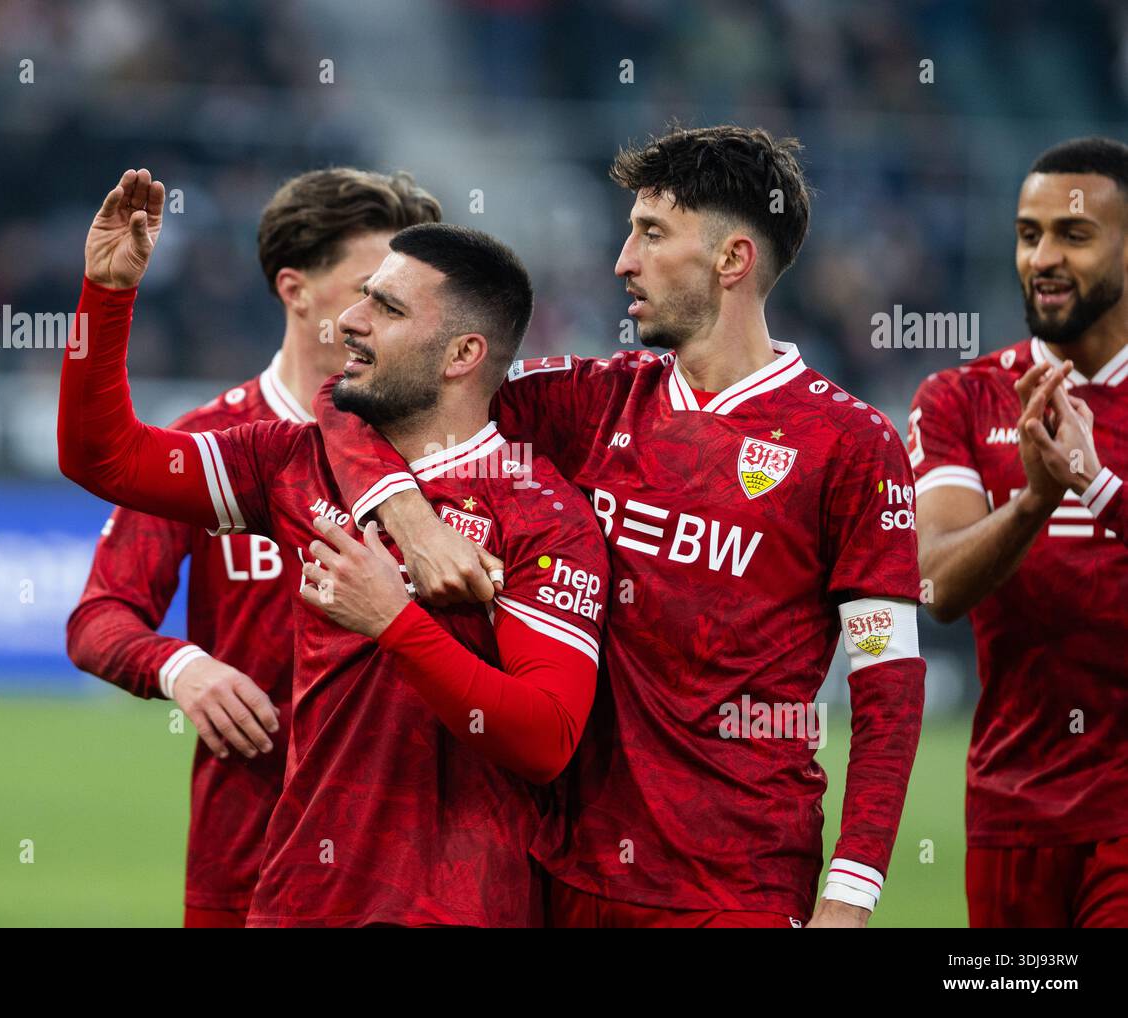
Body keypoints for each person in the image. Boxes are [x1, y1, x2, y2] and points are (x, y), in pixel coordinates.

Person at [313, 125, 926, 927]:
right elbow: (352, 397)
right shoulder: (588, 402)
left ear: (731, 261)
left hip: (734, 887)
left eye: (651, 233)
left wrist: (850, 897)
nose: (622, 261)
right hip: (556, 874)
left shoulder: (849, 445)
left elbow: (887, 685)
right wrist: (412, 521)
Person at [58, 168, 608, 926]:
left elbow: (545, 739)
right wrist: (105, 295)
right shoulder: (292, 459)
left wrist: (392, 617)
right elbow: (102, 458)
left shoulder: (545, 513)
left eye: (383, 305)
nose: (351, 322)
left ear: (460, 355)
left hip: (457, 905)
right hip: (287, 891)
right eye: (359, 292)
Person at [65, 167, 441, 928]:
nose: (385, 312)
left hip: (411, 862)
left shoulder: (446, 448)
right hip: (246, 851)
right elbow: (99, 616)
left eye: (401, 294)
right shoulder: (214, 445)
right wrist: (182, 666)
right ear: (295, 289)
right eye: (368, 287)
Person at [911, 136, 1128, 927]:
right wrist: (1034, 502)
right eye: (1028, 233)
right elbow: (933, 585)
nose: (1043, 256)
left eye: (1074, 234)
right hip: (1012, 808)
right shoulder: (961, 400)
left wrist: (1097, 488)